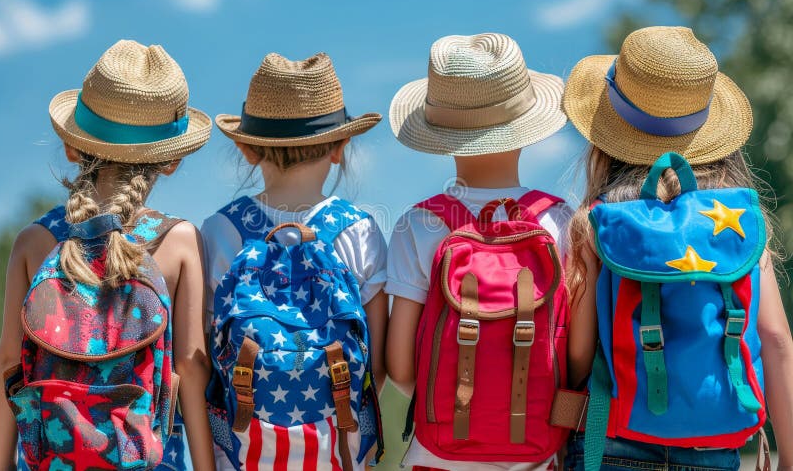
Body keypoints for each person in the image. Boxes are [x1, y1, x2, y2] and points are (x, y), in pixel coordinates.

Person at [562, 26, 793, 470]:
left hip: (612, 442)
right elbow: (778, 340)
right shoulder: (743, 225)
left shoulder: (597, 222)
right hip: (713, 449)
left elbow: (578, 352)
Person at [0, 40, 216, 471]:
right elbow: (189, 367)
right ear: (170, 160)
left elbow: (7, 364)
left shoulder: (33, 241)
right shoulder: (179, 241)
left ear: (72, 148)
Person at [386, 32, 572, 471]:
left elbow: (398, 365)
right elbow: (576, 351)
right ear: (526, 130)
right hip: (538, 447)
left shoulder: (419, 223)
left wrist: (447, 403)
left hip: (436, 451)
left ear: (441, 137)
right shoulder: (561, 220)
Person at [201, 52, 388, 469]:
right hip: (337, 447)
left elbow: (208, 354)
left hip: (240, 450)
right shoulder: (359, 231)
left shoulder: (219, 231)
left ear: (247, 150)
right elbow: (377, 358)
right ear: (341, 147)